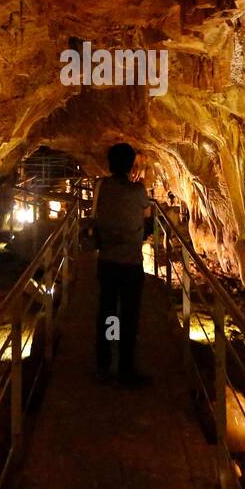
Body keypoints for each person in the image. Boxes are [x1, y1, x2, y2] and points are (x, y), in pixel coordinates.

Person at [92, 142, 153, 387]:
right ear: (131, 165)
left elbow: (97, 217)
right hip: (130, 262)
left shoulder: (102, 186)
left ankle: (105, 365)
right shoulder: (137, 191)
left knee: (109, 313)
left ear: (110, 164)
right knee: (128, 316)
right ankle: (125, 367)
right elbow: (147, 217)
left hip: (107, 261)